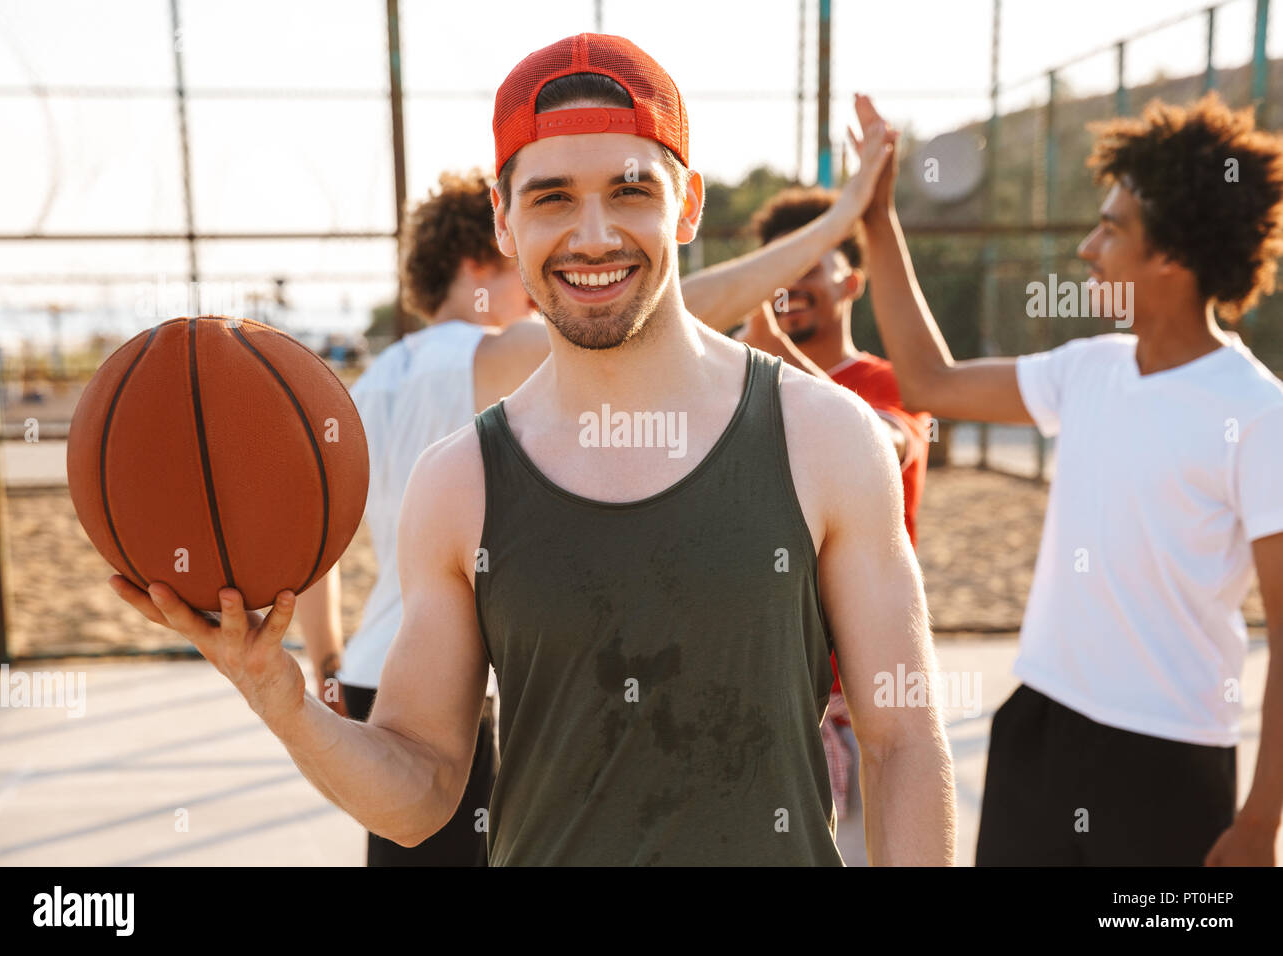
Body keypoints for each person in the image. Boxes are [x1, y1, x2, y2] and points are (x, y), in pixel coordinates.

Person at [111, 33, 956, 866]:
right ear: (503, 222)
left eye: (630, 191)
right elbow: (421, 793)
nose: (593, 235)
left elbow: (904, 744)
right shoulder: (461, 482)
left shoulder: (824, 436)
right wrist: (282, 698)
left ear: (687, 203)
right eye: (552, 197)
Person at [851, 91, 1283, 865]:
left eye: (1112, 229)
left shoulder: (1258, 415)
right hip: (1040, 730)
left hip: (1169, 763)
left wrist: (1259, 822)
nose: (1088, 247)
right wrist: (877, 220)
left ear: (1172, 256)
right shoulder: (1089, 368)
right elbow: (928, 382)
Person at [296, 169, 549, 866]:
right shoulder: (499, 354)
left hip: (377, 667)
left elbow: (315, 547)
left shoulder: (365, 387)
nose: (534, 289)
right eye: (518, 262)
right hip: (453, 681)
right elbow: (661, 327)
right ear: (477, 261)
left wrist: (326, 664)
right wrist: (825, 233)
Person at [677, 186, 932, 859]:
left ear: (850, 279)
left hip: (851, 705)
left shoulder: (885, 380)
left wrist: (775, 356)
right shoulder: (735, 384)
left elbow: (891, 440)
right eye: (778, 268)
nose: (790, 282)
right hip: (753, 693)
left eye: (811, 263)